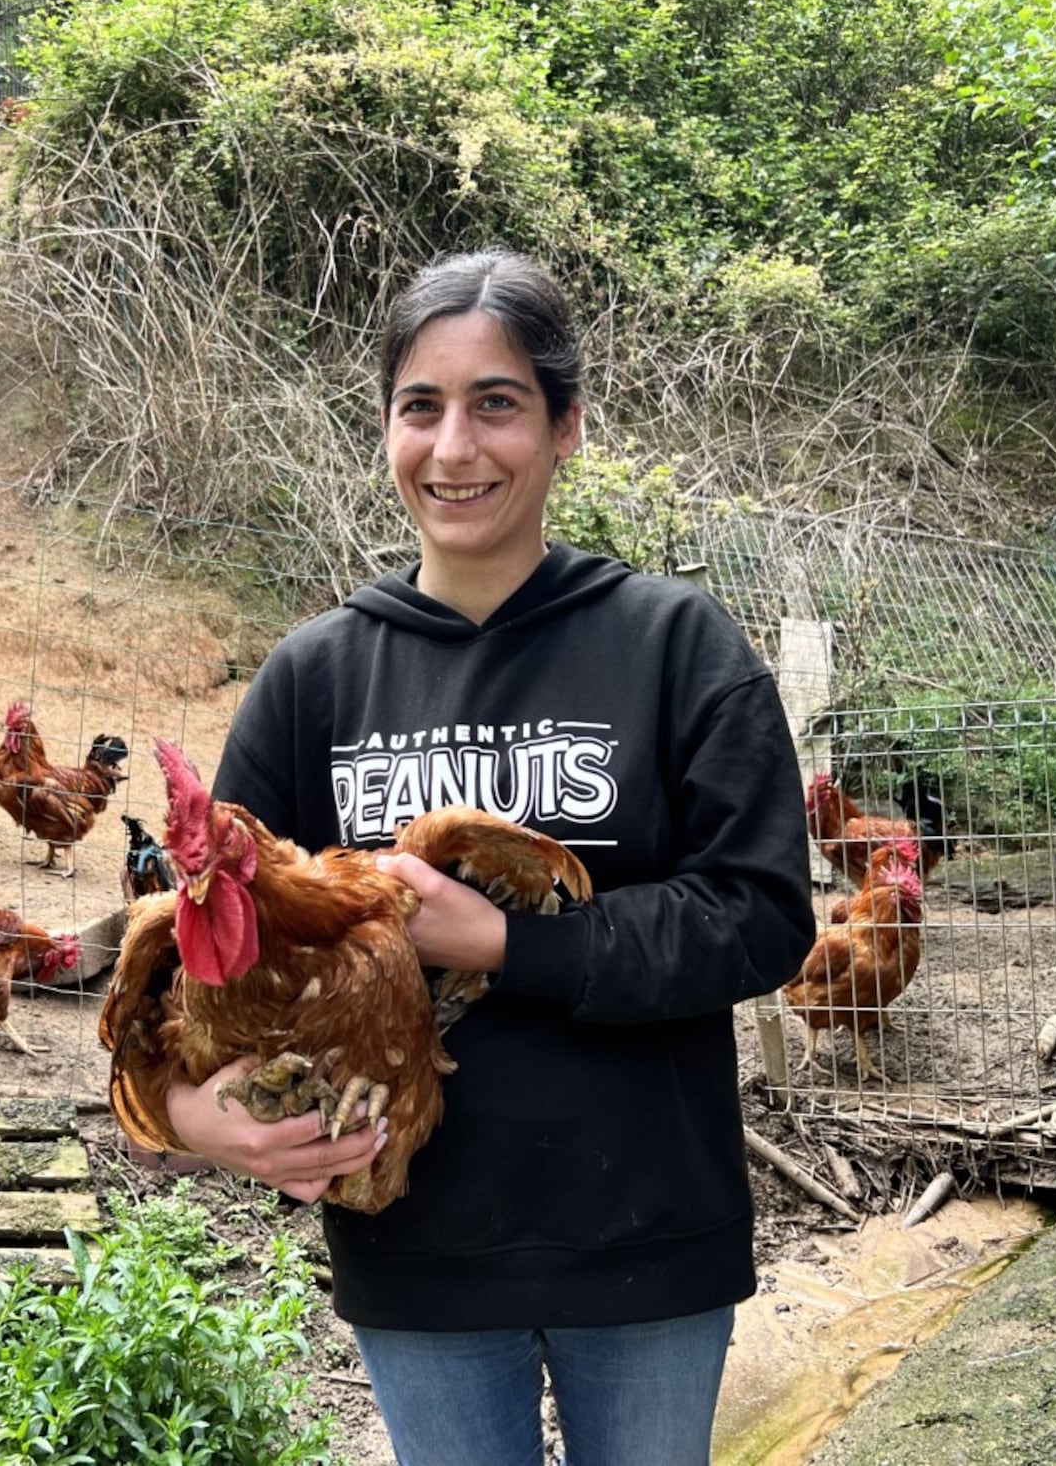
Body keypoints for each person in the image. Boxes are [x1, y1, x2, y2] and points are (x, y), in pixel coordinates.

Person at [164, 249, 816, 1466]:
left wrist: (508, 943)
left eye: (496, 404)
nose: (453, 446)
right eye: (421, 406)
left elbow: (760, 916)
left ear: (566, 426)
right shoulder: (315, 678)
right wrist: (193, 1112)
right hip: (413, 1240)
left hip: (646, 1232)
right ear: (385, 428)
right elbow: (195, 953)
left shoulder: (673, 646)